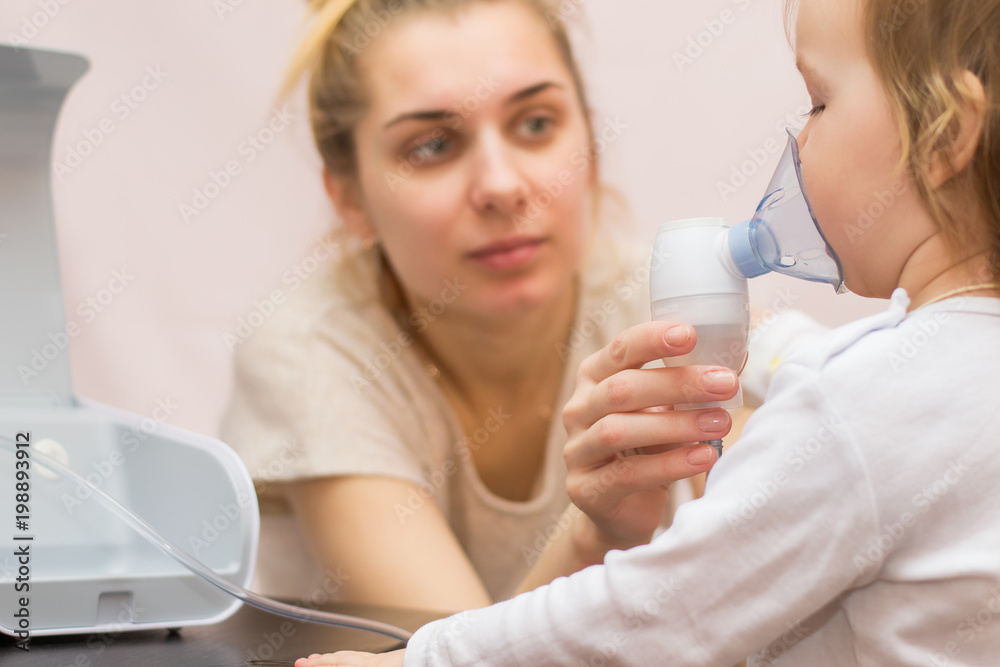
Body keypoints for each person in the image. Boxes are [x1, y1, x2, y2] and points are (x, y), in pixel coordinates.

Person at [293, 0, 1000, 663]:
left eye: (818, 101)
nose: (801, 138)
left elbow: (656, 614)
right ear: (345, 194)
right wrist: (766, 351)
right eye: (435, 143)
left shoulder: (852, 409)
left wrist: (424, 657)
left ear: (943, 134)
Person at [220, 0, 743, 613]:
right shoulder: (309, 356)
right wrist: (596, 534)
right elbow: (448, 655)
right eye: (433, 145)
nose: (501, 186)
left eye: (536, 124)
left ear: (592, 148)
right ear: (351, 198)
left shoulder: (667, 317)